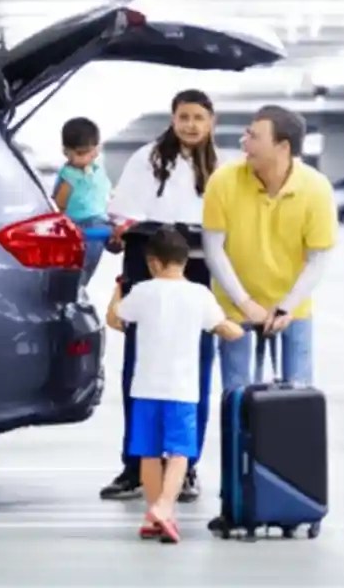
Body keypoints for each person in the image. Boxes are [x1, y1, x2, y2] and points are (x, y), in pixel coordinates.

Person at [99, 88, 219, 503]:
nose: (190, 125)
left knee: (195, 368)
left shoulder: (221, 168)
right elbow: (121, 212)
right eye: (183, 116)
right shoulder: (147, 158)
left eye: (198, 118)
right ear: (173, 118)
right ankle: (136, 466)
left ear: (210, 123)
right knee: (140, 366)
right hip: (146, 264)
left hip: (198, 270)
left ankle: (186, 468)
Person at [105, 227, 245, 543]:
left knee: (149, 454)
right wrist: (239, 328)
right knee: (180, 452)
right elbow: (224, 328)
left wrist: (118, 290)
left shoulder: (141, 291)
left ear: (153, 262)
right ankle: (165, 508)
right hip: (182, 390)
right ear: (184, 261)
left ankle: (153, 513)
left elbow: (115, 320)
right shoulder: (200, 295)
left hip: (145, 388)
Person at [200, 104, 338, 394]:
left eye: (254, 136)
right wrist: (245, 302)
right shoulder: (223, 180)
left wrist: (287, 305)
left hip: (291, 306)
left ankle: (293, 442)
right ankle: (238, 440)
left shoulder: (316, 188)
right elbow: (213, 249)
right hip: (236, 304)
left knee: (298, 393)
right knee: (236, 392)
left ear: (282, 146)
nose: (244, 142)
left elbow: (318, 257)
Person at [52, 117, 114, 284]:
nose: (89, 156)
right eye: (81, 153)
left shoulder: (96, 167)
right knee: (80, 268)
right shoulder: (69, 176)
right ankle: (76, 290)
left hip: (100, 222)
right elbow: (59, 204)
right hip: (80, 227)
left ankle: (81, 287)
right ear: (66, 152)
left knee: (91, 264)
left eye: (93, 152)